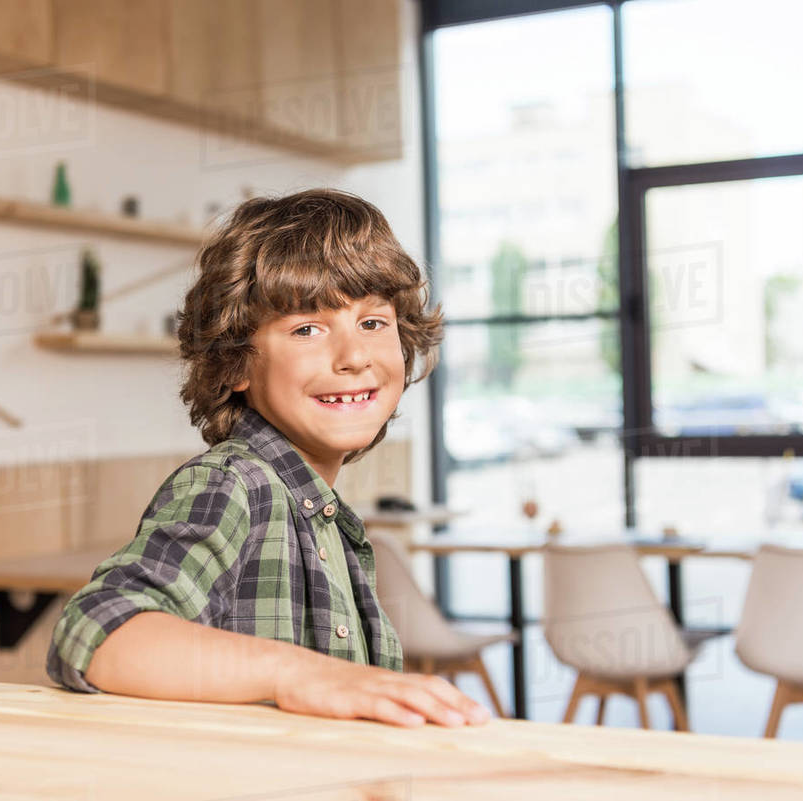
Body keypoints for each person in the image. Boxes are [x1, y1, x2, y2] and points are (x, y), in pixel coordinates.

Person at [47, 189, 489, 727]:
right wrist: (302, 674)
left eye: (373, 323)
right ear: (236, 364)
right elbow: (98, 632)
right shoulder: (235, 484)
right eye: (307, 329)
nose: (353, 357)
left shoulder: (317, 510)